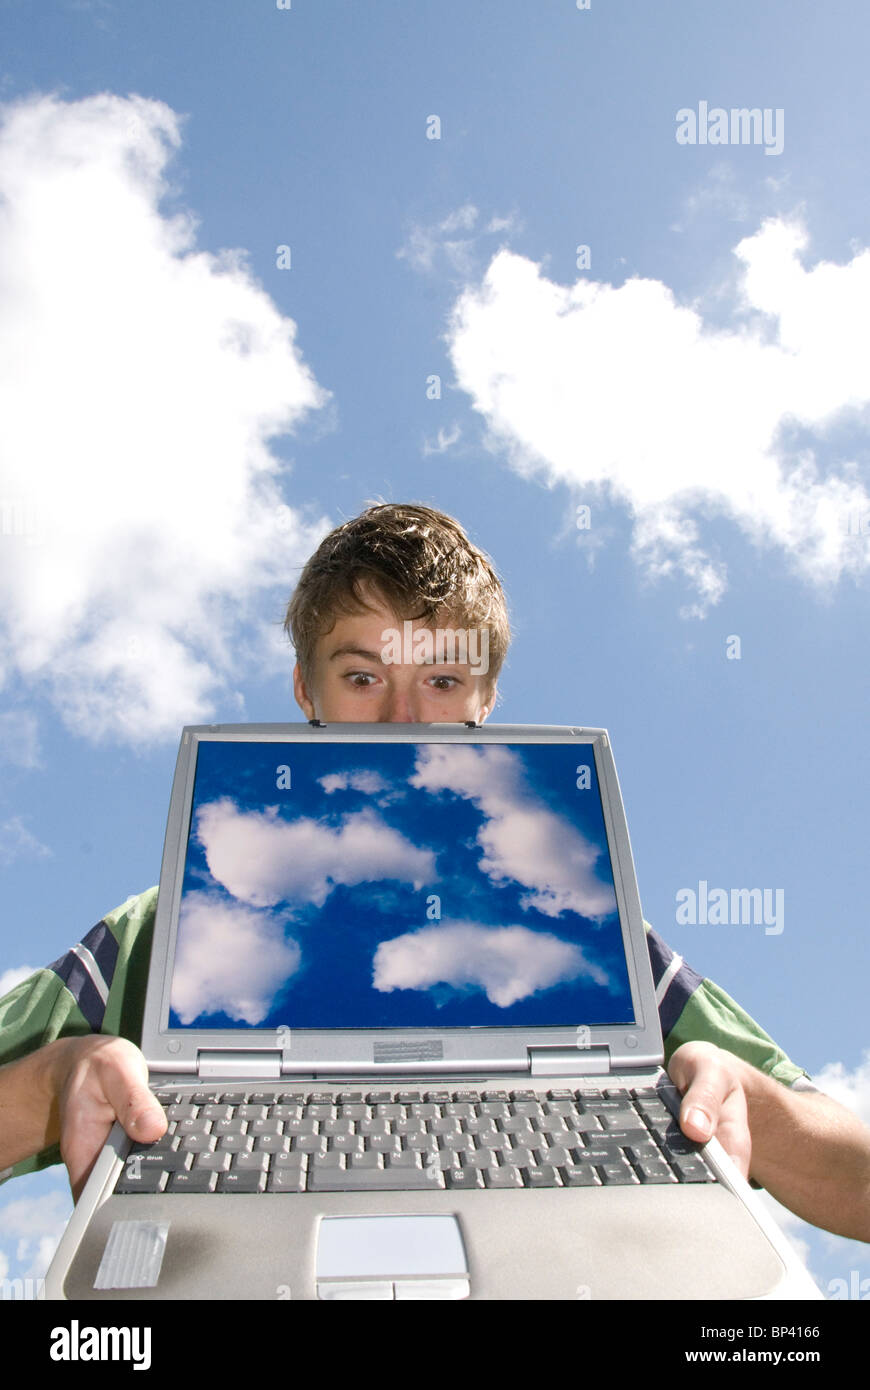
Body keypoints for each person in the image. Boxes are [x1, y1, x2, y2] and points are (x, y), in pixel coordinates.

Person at [0, 503, 868, 1239]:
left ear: (485, 700)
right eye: (362, 676)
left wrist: (747, 1096)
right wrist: (50, 1079)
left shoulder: (601, 941)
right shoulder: (161, 927)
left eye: (444, 678)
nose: (402, 718)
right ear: (306, 691)